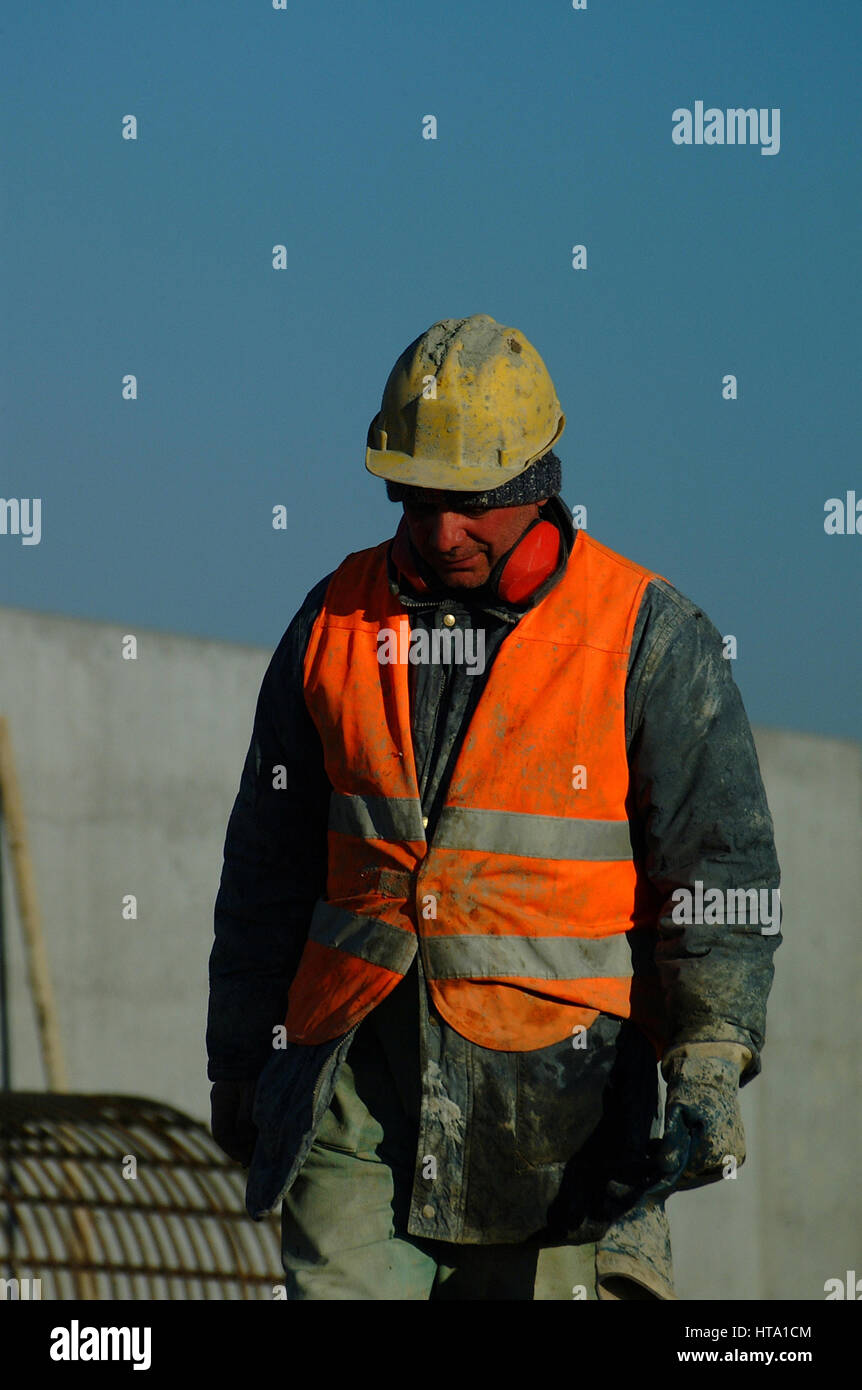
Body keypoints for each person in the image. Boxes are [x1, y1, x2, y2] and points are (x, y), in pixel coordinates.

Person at [207, 313, 781, 1300]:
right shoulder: (333, 623)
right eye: (416, 499)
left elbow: (717, 867)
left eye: (468, 503)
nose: (440, 530)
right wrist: (240, 1055)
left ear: (536, 482)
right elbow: (268, 864)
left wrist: (709, 1056)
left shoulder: (647, 637)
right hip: (354, 1088)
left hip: (558, 1112)